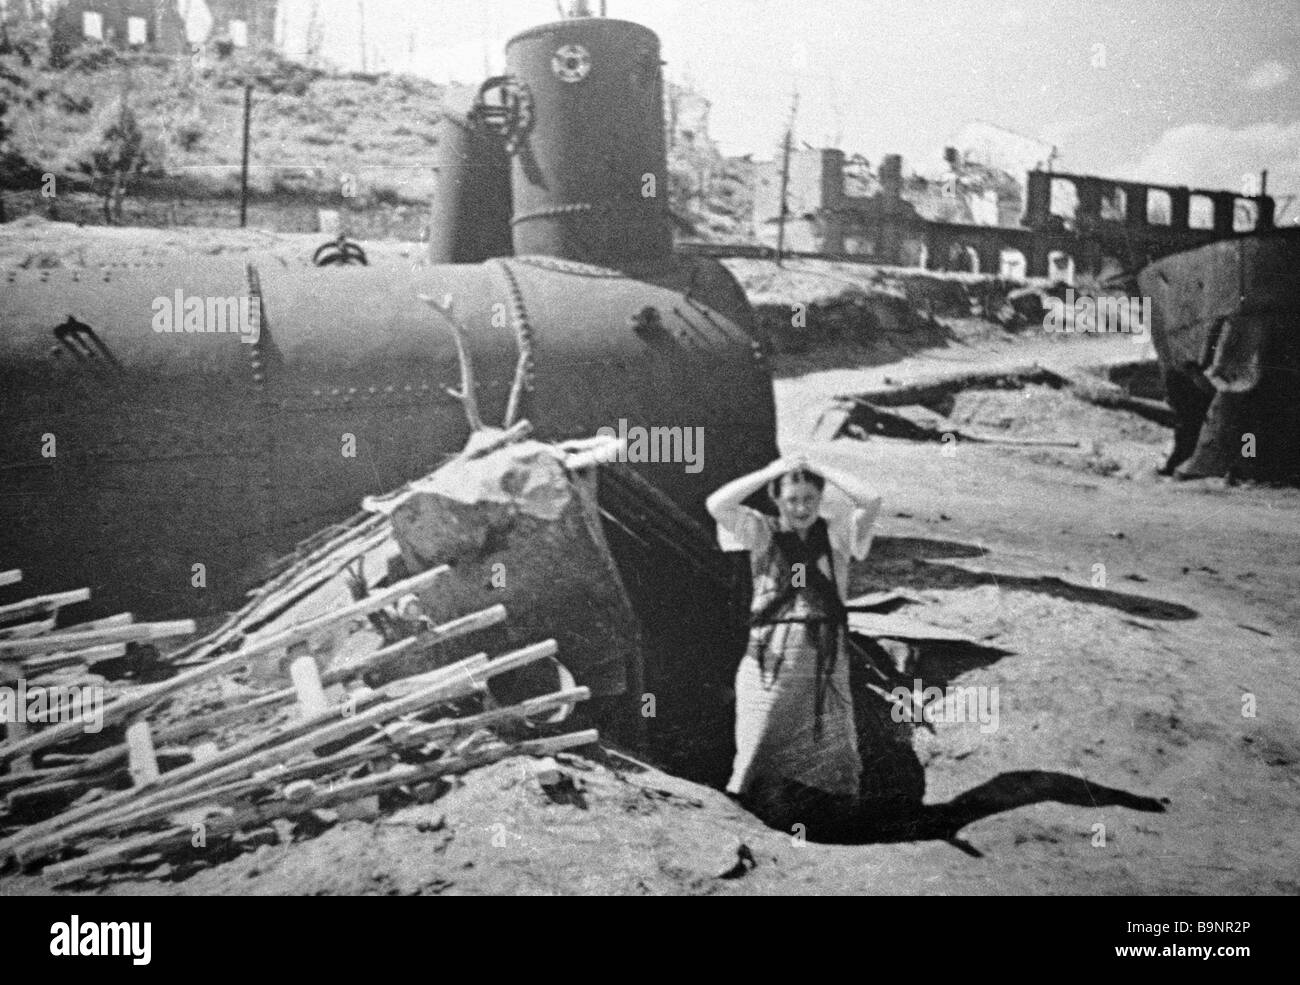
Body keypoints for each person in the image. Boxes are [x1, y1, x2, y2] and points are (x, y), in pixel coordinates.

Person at [706, 453, 882, 827]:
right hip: (771, 649)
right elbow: (717, 503)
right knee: (761, 730)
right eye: (792, 499)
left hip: (824, 651)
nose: (801, 507)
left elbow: (871, 500)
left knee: (831, 737)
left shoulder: (836, 533)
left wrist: (821, 469)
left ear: (820, 499)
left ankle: (835, 817)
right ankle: (746, 814)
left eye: (809, 498)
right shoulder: (761, 530)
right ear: (777, 499)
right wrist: (771, 472)